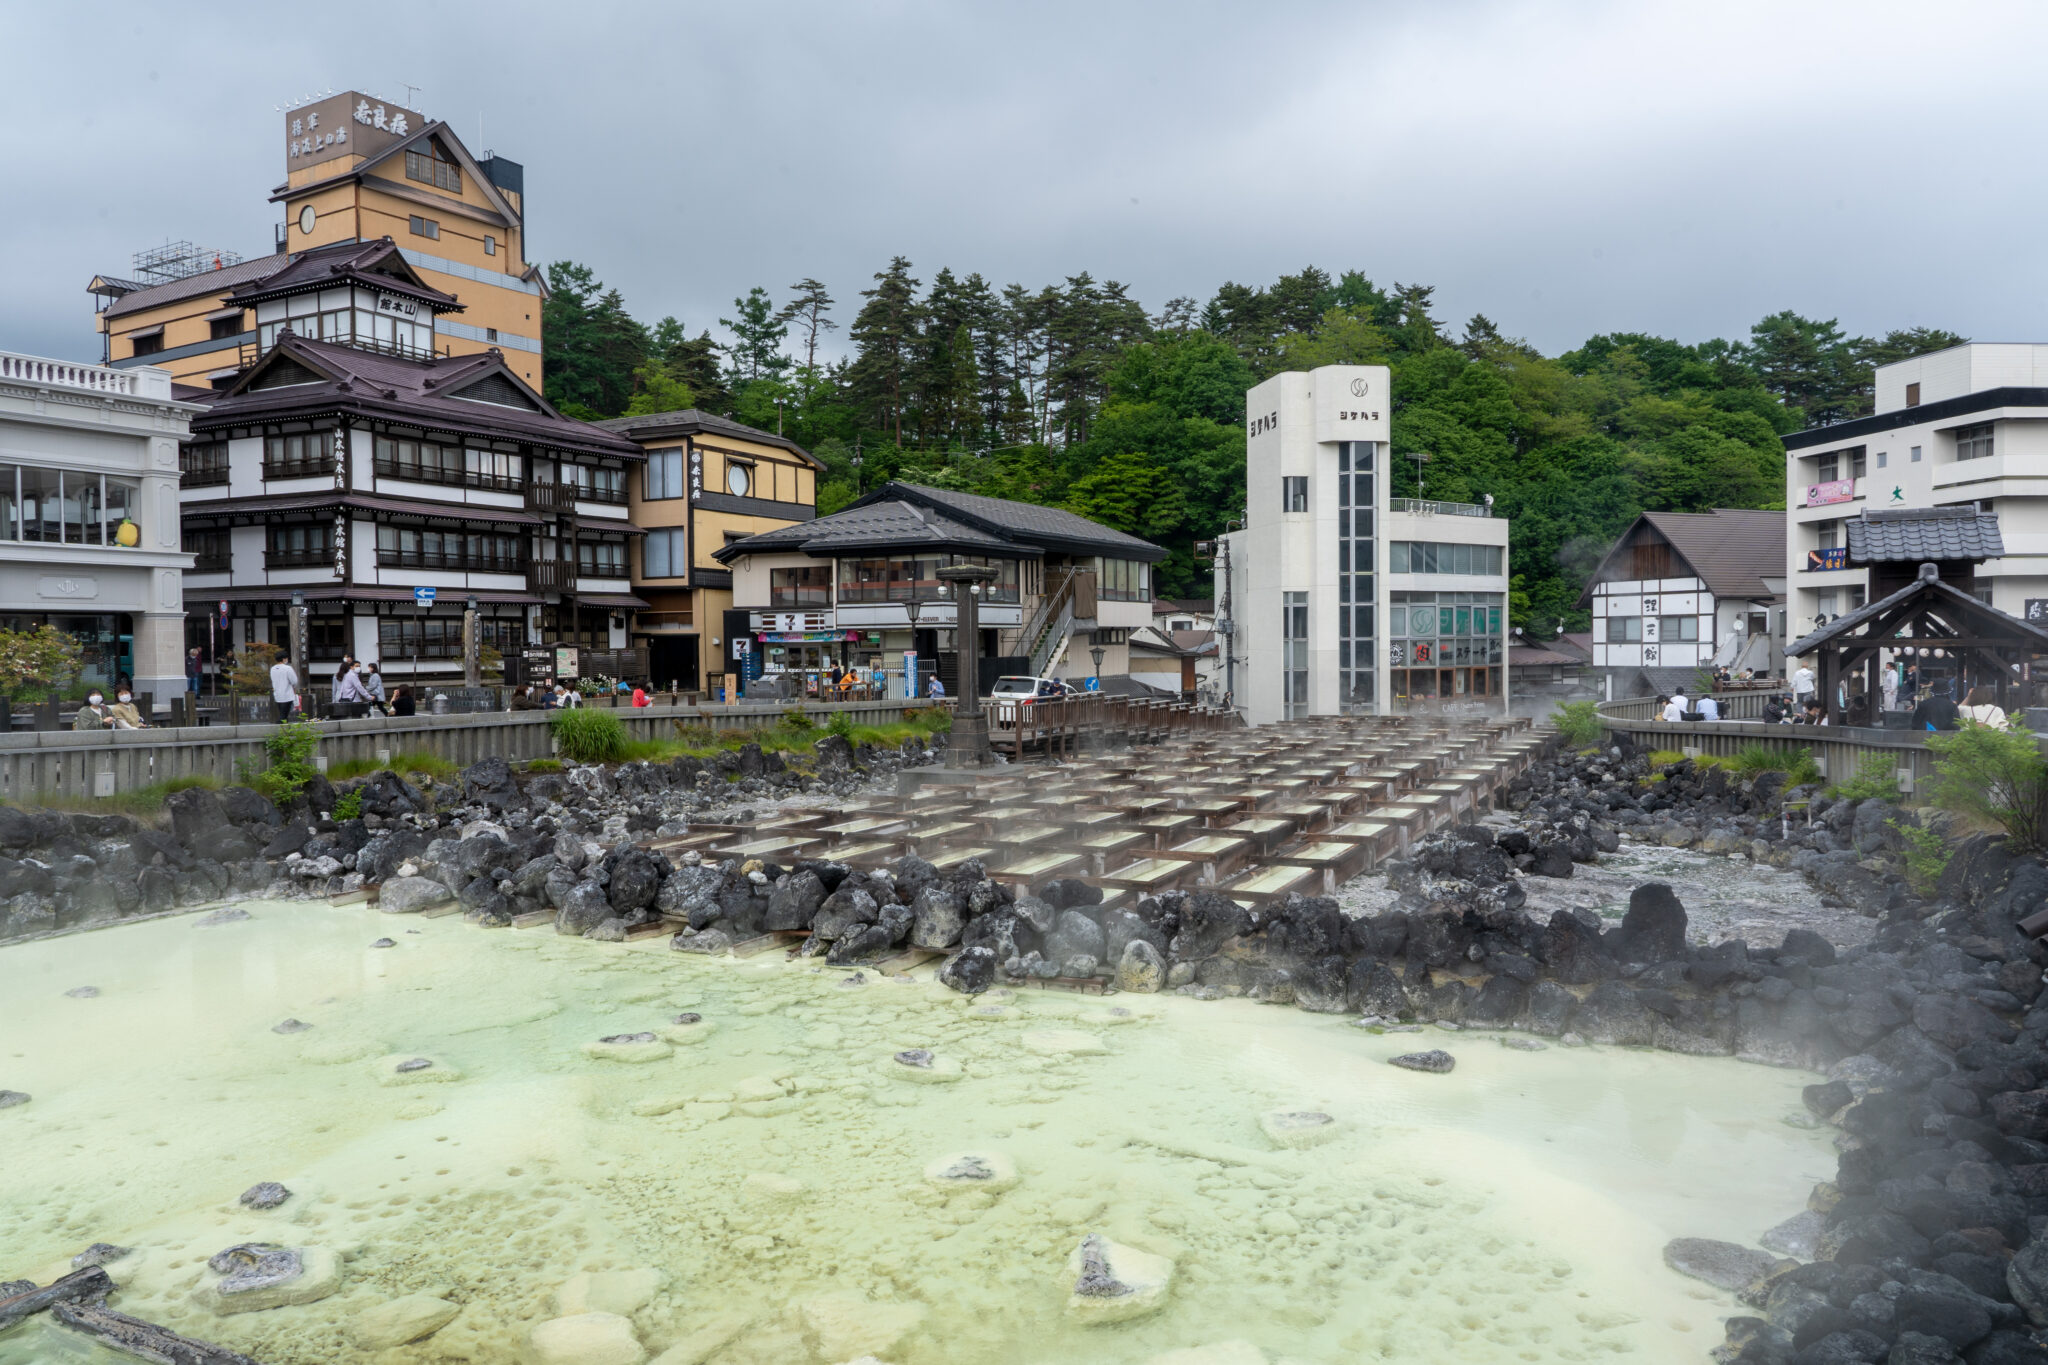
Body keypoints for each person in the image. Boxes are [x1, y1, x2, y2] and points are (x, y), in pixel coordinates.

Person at [269, 655, 301, 723]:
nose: (287, 660)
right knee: (284, 715)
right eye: (286, 658)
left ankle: (283, 728)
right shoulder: (287, 668)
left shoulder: (273, 668)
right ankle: (280, 725)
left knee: (282, 713)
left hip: (277, 694)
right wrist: (294, 687)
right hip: (287, 695)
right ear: (283, 659)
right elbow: (294, 681)